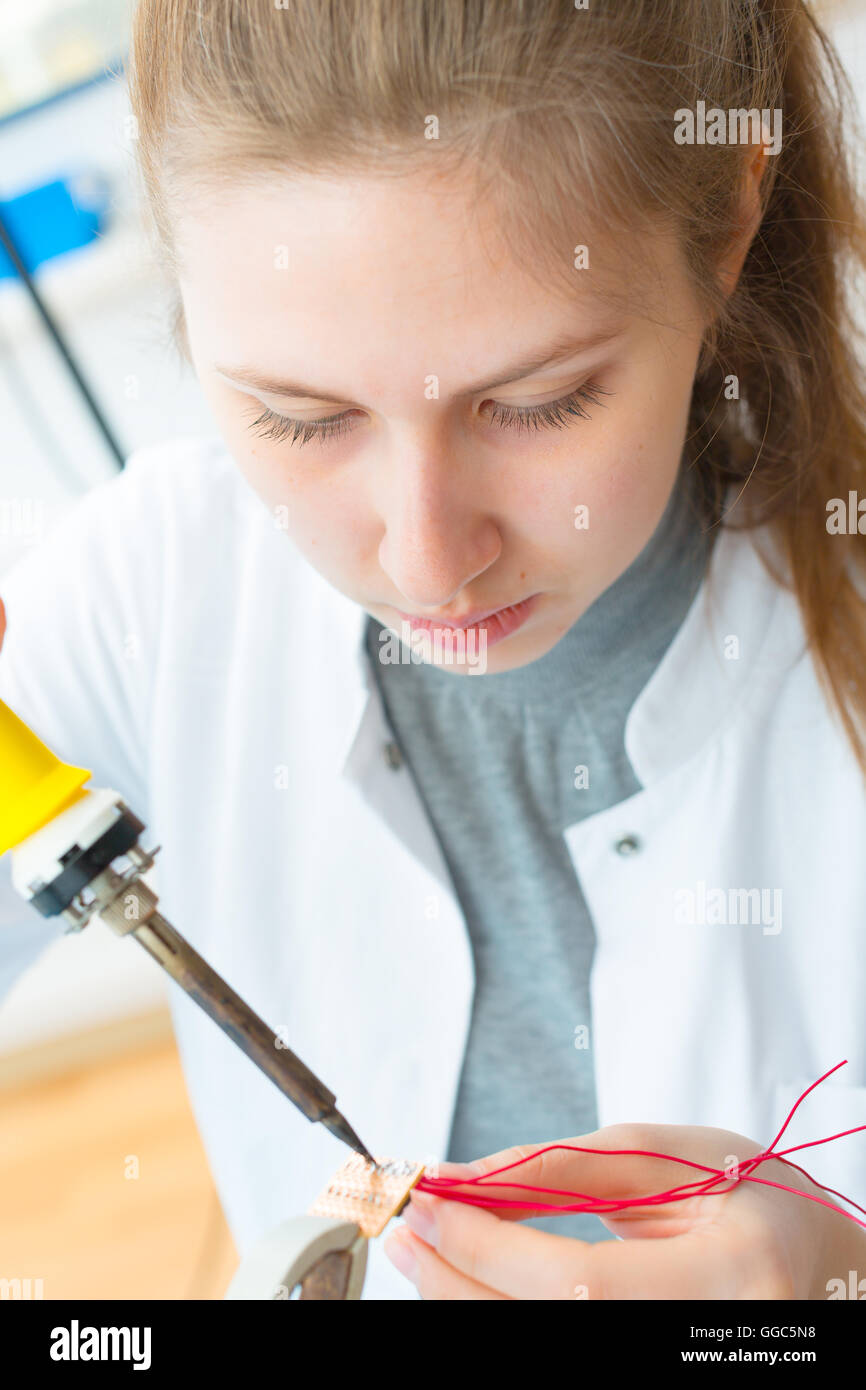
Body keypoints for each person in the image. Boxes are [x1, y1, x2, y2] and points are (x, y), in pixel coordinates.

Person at [1, 0, 865, 1300]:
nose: (425, 559)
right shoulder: (146, 591)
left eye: (536, 401)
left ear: (730, 222)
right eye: (299, 417)